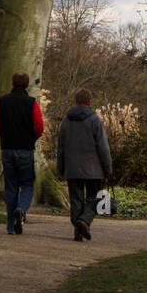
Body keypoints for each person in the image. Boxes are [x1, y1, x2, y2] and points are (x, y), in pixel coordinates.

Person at [57, 87, 113, 241]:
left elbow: (60, 146)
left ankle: (78, 229)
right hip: (93, 169)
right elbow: (103, 146)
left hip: (72, 167)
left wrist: (61, 166)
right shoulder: (95, 120)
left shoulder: (66, 120)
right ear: (89, 101)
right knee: (94, 198)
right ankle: (84, 221)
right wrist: (108, 168)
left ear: (76, 100)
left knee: (76, 199)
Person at [0, 71, 43, 235]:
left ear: (12, 83)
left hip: (7, 148)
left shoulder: (2, 101)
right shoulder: (31, 103)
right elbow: (39, 127)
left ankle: (10, 225)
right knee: (27, 184)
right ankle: (21, 209)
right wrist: (31, 137)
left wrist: (6, 135)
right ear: (27, 84)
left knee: (11, 187)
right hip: (25, 149)